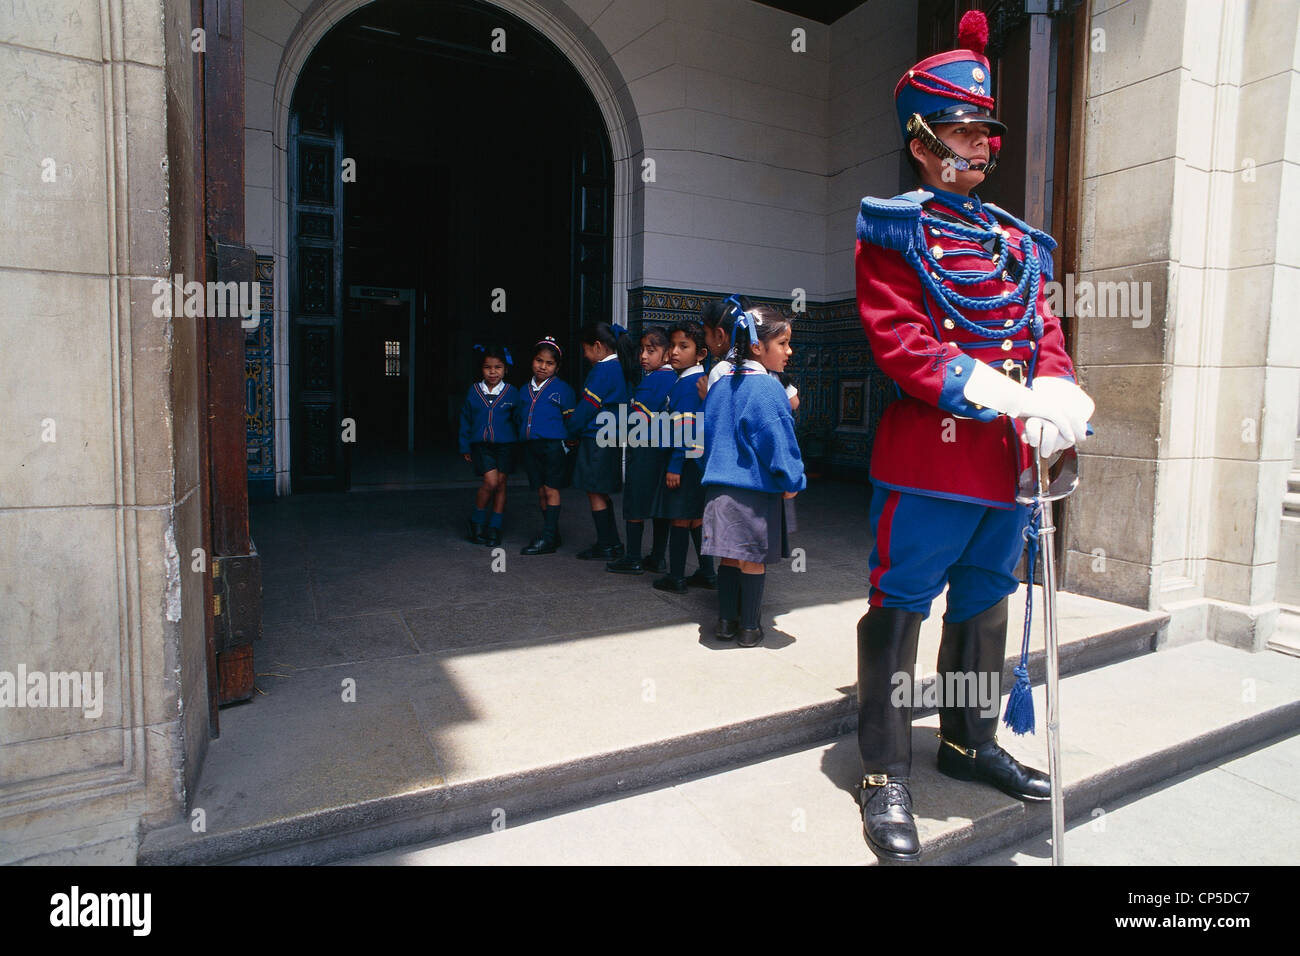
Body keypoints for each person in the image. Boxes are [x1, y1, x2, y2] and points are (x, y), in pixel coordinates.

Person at [852, 9, 1095, 862]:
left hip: (1006, 470)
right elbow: (901, 343)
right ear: (920, 140)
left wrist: (1059, 392)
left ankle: (966, 737)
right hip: (930, 464)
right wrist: (996, 391)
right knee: (901, 605)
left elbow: (1043, 334)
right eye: (963, 130)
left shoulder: (1019, 243)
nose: (981, 145)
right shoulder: (894, 226)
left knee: (987, 605)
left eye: (987, 131)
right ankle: (884, 770)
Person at [700, 304, 805, 647]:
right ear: (758, 347)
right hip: (753, 493)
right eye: (783, 344)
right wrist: (792, 481)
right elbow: (778, 442)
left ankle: (725, 623)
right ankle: (749, 628)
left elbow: (709, 437)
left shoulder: (719, 385)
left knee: (728, 557)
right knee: (753, 561)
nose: (789, 352)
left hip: (718, 491)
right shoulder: (768, 389)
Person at [566, 321, 639, 560]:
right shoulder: (621, 367)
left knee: (594, 492)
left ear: (597, 346)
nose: (586, 356)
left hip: (597, 438)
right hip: (612, 436)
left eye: (585, 349)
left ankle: (607, 544)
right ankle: (612, 542)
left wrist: (571, 430)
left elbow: (588, 407)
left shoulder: (602, 370)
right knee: (601, 491)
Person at [607, 327, 676, 575]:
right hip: (665, 450)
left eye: (651, 350)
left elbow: (637, 420)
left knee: (635, 501)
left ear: (667, 354)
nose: (643, 356)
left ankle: (633, 558)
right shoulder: (673, 377)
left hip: (646, 450)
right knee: (660, 506)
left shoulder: (655, 380)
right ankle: (657, 557)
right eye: (642, 350)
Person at [651, 321, 712, 593]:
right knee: (696, 517)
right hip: (698, 461)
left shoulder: (688, 384)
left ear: (701, 354)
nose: (674, 352)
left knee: (679, 516)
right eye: (673, 345)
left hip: (686, 462)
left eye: (683, 346)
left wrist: (675, 465)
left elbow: (686, 429)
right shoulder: (692, 380)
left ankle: (675, 577)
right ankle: (708, 573)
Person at [458, 344, 521, 547]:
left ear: (505, 369)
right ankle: (476, 521)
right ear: (481, 369)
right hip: (481, 446)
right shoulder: (474, 391)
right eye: (488, 367)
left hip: (506, 447)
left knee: (501, 485)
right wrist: (465, 446)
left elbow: (518, 420)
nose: (493, 372)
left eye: (498, 367)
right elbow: (465, 420)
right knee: (491, 483)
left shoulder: (512, 393)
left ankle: (495, 526)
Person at [518, 336, 576, 556]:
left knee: (551, 489)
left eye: (549, 363)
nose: (543, 366)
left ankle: (548, 538)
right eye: (539, 361)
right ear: (532, 361)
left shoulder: (563, 390)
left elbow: (570, 420)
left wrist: (569, 443)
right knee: (541, 490)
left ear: (557, 367)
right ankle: (552, 532)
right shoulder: (524, 391)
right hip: (531, 447)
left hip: (553, 447)